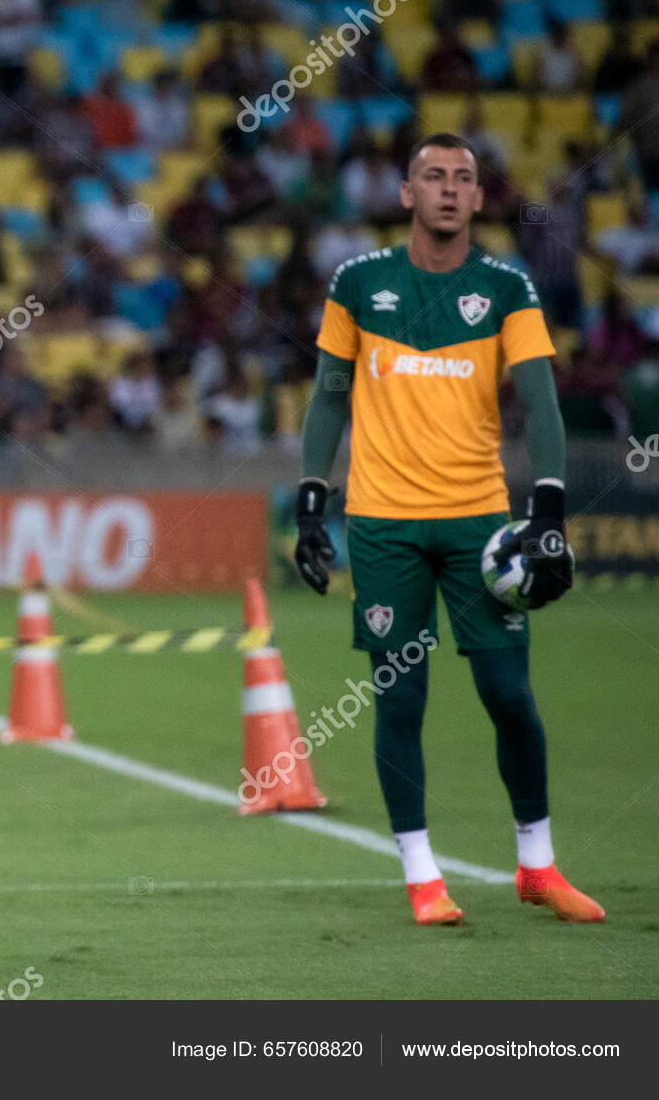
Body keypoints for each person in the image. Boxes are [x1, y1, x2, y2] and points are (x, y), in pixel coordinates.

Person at [293, 133, 604, 927]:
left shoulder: (507, 286)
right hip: (383, 525)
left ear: (476, 198)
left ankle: (537, 864)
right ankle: (423, 876)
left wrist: (549, 507)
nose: (447, 189)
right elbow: (330, 395)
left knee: (510, 696)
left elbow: (539, 400)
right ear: (405, 193)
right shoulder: (359, 282)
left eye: (462, 178)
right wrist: (309, 498)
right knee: (401, 698)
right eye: (432, 176)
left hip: (479, 526)